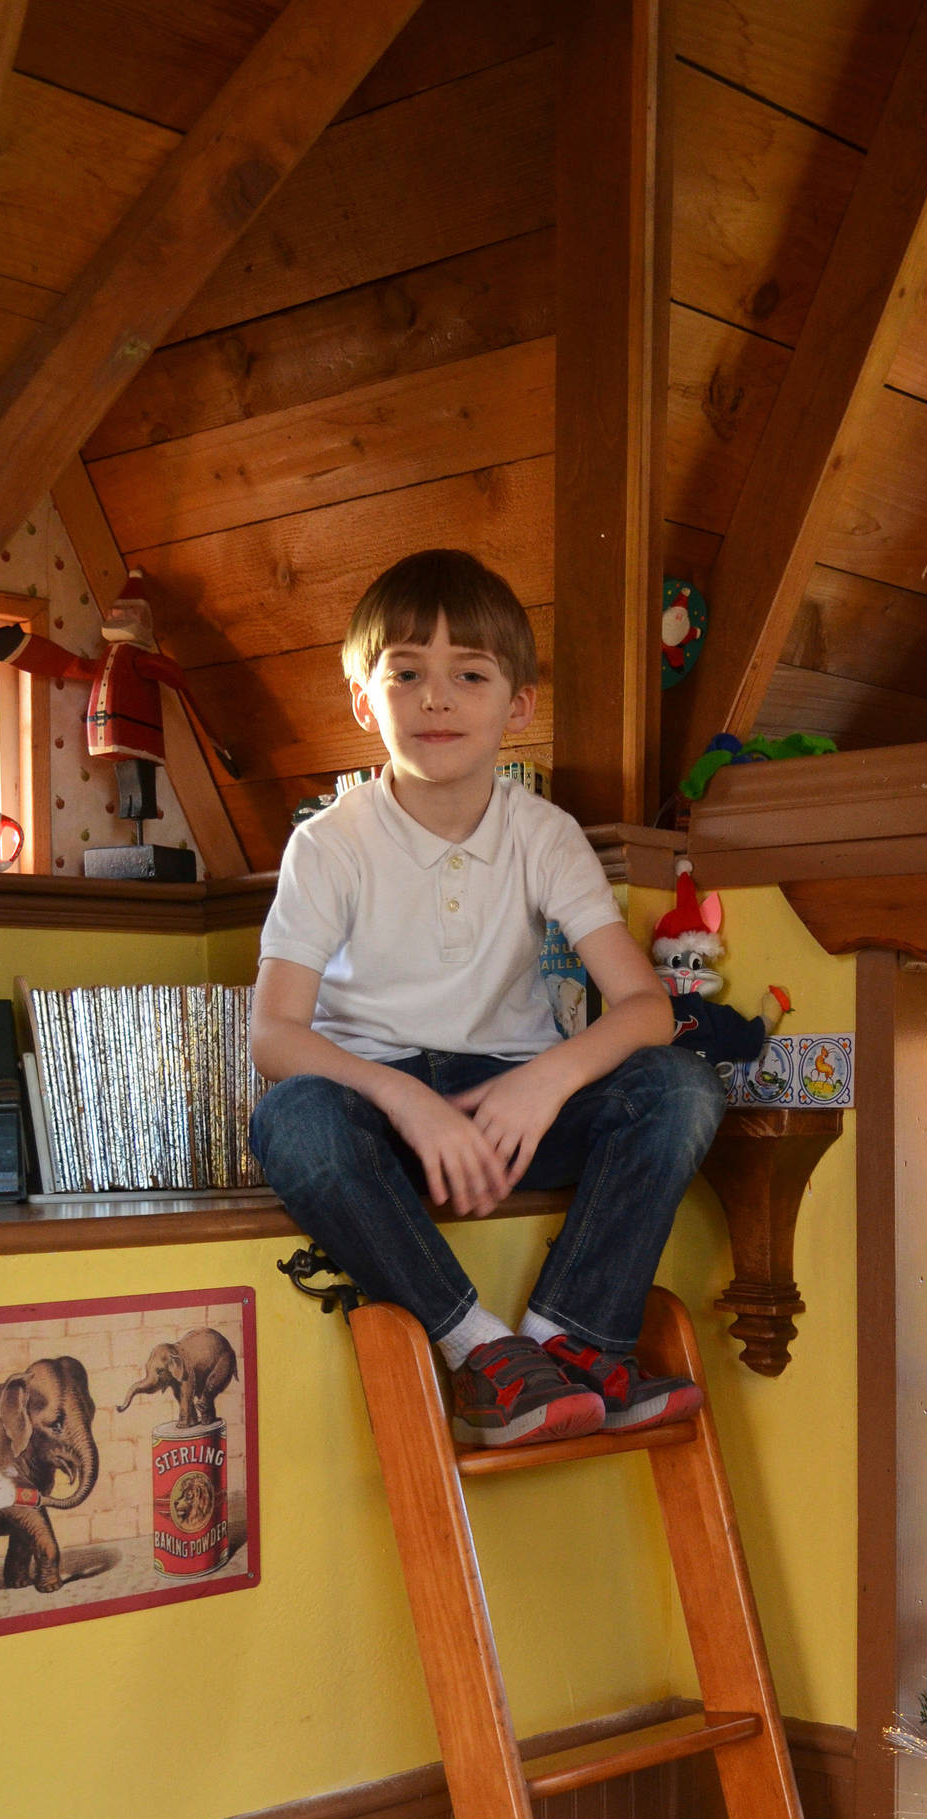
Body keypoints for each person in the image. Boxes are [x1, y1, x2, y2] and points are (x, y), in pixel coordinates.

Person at [249, 549, 725, 1449]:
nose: (437, 699)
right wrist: (403, 1098)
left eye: (469, 674)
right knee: (294, 1122)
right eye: (407, 674)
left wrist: (544, 1081)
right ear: (363, 700)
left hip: (512, 1108)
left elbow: (645, 1008)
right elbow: (272, 1033)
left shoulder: (544, 835)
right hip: (379, 1110)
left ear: (518, 706)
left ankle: (568, 1344)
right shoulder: (331, 844)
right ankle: (483, 1353)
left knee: (682, 1088)